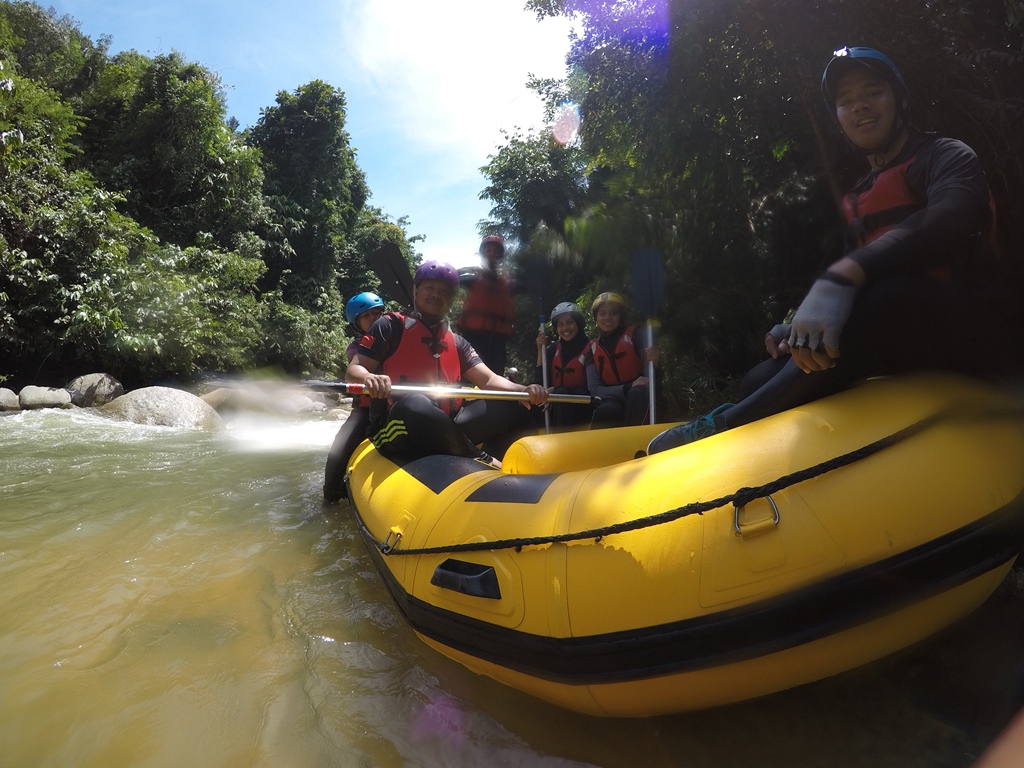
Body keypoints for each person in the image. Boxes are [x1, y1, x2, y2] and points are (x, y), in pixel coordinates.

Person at [649, 46, 1019, 454]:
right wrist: (798, 328)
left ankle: (726, 426)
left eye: (873, 93)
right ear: (840, 120)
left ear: (901, 99)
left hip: (975, 331)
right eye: (846, 102)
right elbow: (845, 290)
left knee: (890, 297)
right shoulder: (859, 194)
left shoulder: (945, 155)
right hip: (896, 337)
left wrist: (842, 278)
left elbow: (950, 219)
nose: (860, 107)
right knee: (760, 377)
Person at [346, 260, 547, 468]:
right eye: (430, 288)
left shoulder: (456, 341)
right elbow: (354, 369)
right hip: (399, 424)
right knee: (415, 402)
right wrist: (369, 377)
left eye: (444, 291)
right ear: (416, 290)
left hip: (447, 421)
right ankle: (479, 458)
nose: (436, 295)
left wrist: (524, 390)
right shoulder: (389, 327)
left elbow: (489, 379)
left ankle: (509, 466)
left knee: (515, 405)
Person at [323, 291, 385, 503]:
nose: (375, 318)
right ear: (356, 323)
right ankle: (330, 493)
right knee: (339, 448)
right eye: (368, 316)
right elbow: (357, 366)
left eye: (378, 313)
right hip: (366, 411)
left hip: (394, 405)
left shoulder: (394, 341)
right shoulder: (356, 348)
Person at [586, 292, 658, 428]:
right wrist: (627, 387)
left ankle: (636, 441)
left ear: (621, 316)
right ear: (596, 318)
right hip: (613, 398)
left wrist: (656, 364)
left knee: (637, 394)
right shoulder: (592, 349)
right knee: (608, 408)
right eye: (602, 314)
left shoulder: (636, 336)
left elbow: (651, 379)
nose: (607, 318)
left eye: (614, 313)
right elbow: (595, 389)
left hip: (640, 396)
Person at [457, 234, 516, 374]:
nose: (492, 254)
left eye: (496, 251)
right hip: (473, 336)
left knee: (496, 373)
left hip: (497, 339)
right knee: (469, 373)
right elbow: (450, 280)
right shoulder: (472, 277)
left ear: (501, 255)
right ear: (482, 253)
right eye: (488, 250)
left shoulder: (508, 283)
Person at [534, 301, 594, 430]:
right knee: (534, 401)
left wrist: (557, 391)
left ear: (579, 323)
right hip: (558, 407)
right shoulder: (553, 349)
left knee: (561, 393)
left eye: (570, 322)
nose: (565, 328)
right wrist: (540, 350)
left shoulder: (591, 348)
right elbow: (540, 381)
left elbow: (592, 388)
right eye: (560, 325)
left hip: (583, 407)